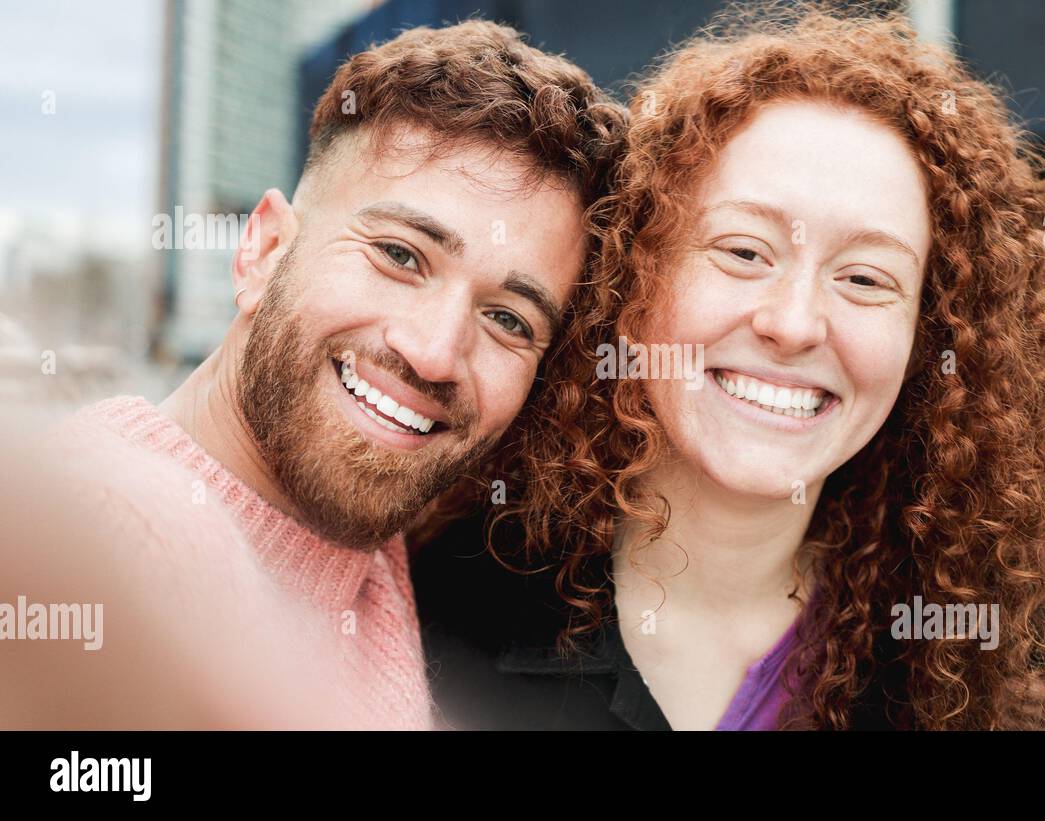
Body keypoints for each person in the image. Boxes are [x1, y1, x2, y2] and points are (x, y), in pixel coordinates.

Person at [413, 4, 1045, 730]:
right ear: (632, 276)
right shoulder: (420, 614)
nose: (793, 324)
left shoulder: (974, 669)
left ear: (928, 343)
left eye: (865, 278)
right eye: (743, 251)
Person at [0, 21, 624, 728]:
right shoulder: (118, 534)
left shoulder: (376, 547)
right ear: (264, 250)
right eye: (400, 255)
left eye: (508, 319)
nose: (434, 353)